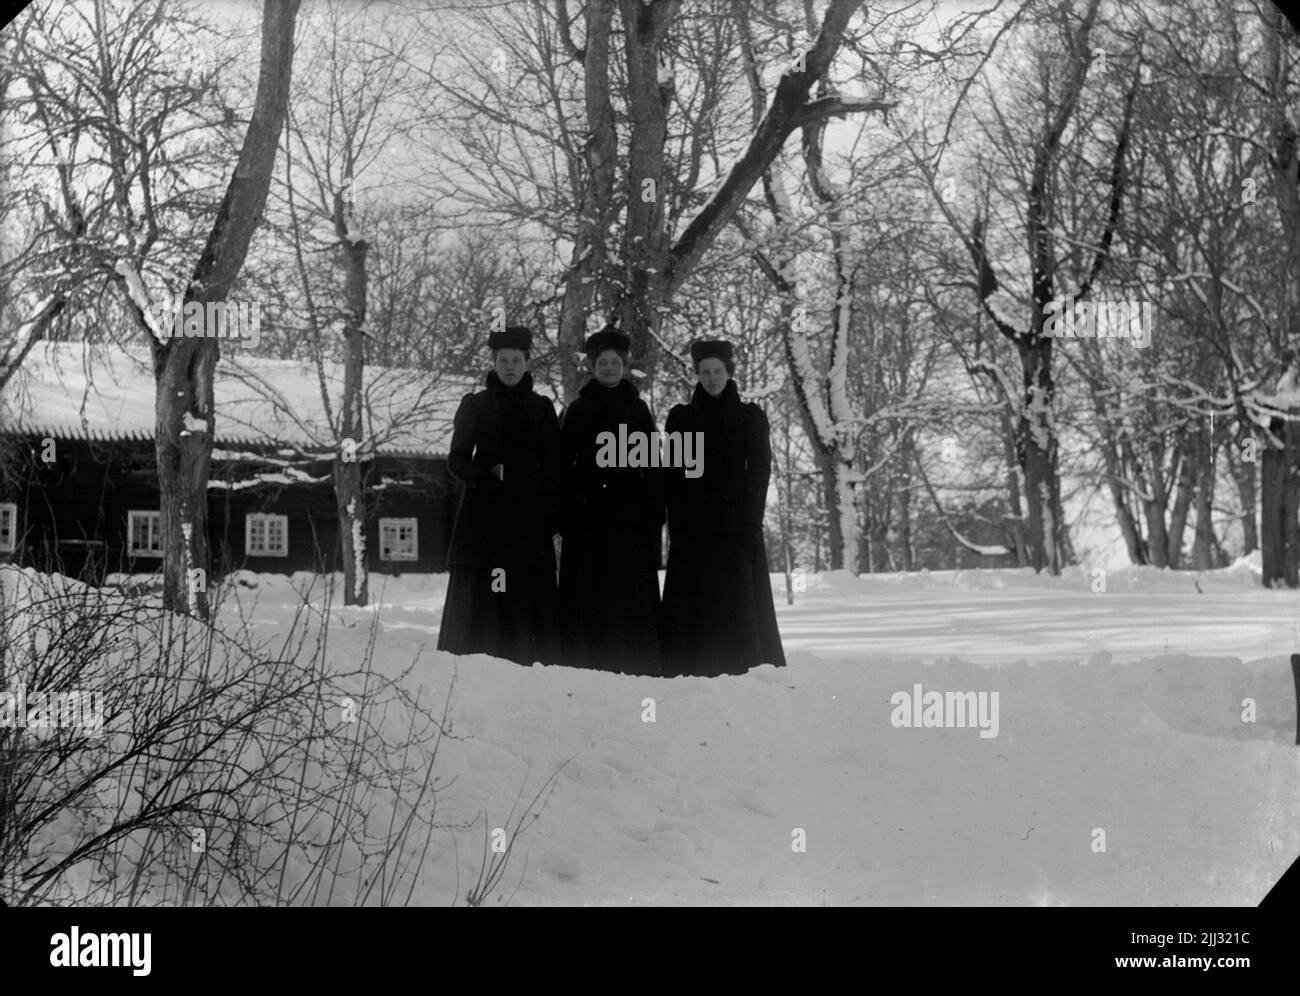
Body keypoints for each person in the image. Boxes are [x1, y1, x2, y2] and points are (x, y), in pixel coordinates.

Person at [660, 339, 786, 676]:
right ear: (697, 375)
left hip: (735, 527)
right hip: (694, 530)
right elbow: (672, 475)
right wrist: (678, 527)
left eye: (718, 371)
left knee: (739, 604)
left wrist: (751, 523)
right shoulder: (682, 418)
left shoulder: (749, 418)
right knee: (695, 606)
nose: (712, 378)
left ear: (729, 374)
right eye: (705, 372)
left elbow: (759, 473)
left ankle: (745, 666)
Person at [437, 325, 561, 665]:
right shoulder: (476, 405)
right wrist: (482, 479)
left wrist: (552, 513)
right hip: (484, 517)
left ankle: (523, 652)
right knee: (491, 583)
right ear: (493, 363)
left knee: (522, 587)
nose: (509, 367)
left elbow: (554, 465)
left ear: (526, 363)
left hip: (527, 519)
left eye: (516, 360)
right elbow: (457, 459)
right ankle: (482, 651)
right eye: (503, 360)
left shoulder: (541, 408)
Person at [557, 326, 663, 674]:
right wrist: (571, 511)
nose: (608, 368)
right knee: (590, 593)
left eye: (614, 362)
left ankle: (631, 660)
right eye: (602, 362)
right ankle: (587, 659)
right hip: (588, 523)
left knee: (626, 593)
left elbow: (652, 467)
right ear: (592, 366)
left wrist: (652, 516)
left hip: (628, 523)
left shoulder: (638, 410)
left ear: (624, 365)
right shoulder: (578, 410)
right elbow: (563, 467)